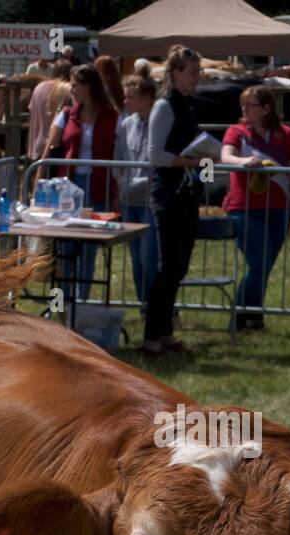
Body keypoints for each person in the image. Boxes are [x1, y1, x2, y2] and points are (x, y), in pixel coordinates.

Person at [220, 84, 290, 331]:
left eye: (250, 104)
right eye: (242, 104)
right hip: (243, 208)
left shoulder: (287, 134)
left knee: (264, 266)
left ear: (266, 108)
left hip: (278, 209)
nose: (244, 109)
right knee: (259, 263)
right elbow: (225, 156)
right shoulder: (236, 131)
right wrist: (244, 161)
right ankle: (239, 317)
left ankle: (253, 319)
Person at [144, 44, 206, 357]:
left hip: (184, 195)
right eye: (193, 72)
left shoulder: (186, 104)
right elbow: (155, 155)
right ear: (177, 73)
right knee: (167, 267)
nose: (199, 77)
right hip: (167, 194)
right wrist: (191, 162)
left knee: (178, 267)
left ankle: (165, 333)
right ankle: (151, 338)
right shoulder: (164, 106)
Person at [44, 63, 119, 302]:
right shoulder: (66, 114)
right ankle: (62, 300)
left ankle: (82, 301)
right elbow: (50, 147)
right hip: (70, 186)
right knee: (65, 246)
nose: (72, 90)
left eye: (76, 85)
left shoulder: (112, 116)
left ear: (90, 87)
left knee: (88, 247)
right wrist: (38, 180)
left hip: (99, 186)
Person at [115, 75, 158, 311]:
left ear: (146, 98)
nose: (126, 101)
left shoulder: (160, 124)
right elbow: (118, 155)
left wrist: (134, 183)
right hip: (129, 200)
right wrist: (120, 180)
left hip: (150, 201)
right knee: (136, 260)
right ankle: (144, 307)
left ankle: (158, 307)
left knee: (149, 258)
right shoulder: (126, 124)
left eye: (131, 97)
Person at [27, 60, 72, 159]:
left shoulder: (39, 87)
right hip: (56, 146)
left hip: (37, 145)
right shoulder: (68, 89)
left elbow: (31, 110)